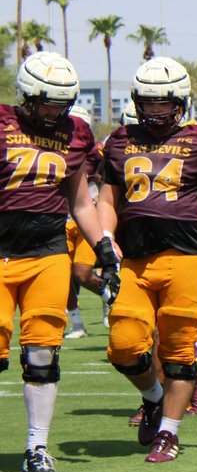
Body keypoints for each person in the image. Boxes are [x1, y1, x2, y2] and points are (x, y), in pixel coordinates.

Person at [98, 57, 197, 463]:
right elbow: (108, 201)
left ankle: (169, 433)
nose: (154, 111)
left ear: (180, 102)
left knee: (180, 350)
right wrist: (106, 238)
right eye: (147, 103)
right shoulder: (118, 141)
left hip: (188, 256)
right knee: (124, 344)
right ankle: (152, 397)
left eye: (162, 103)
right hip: (134, 260)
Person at [1, 52, 121, 472]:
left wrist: (102, 246)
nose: (55, 112)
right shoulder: (2, 123)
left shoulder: (76, 132)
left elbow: (79, 201)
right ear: (26, 95)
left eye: (61, 104)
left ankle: (37, 447)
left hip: (48, 251)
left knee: (41, 354)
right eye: (47, 103)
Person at [63, 104, 105, 340]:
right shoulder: (53, 150)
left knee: (81, 273)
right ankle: (77, 324)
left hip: (88, 218)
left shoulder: (99, 152)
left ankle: (109, 295)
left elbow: (109, 180)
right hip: (62, 219)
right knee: (63, 274)